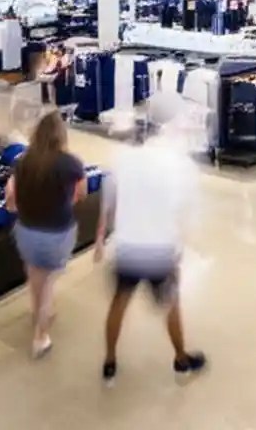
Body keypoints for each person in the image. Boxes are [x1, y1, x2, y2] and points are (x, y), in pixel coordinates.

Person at [94, 97, 207, 384]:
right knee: (171, 304)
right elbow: (187, 215)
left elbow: (109, 202)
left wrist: (100, 239)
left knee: (119, 303)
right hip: (160, 250)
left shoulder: (124, 159)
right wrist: (179, 251)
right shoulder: (180, 165)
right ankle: (181, 361)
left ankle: (109, 361)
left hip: (128, 247)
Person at [5, 113, 87, 357]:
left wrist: (20, 207)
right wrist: (65, 202)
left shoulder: (24, 161)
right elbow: (81, 193)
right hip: (57, 233)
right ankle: (41, 335)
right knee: (48, 283)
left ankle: (37, 310)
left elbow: (11, 195)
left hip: (26, 231)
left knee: (34, 274)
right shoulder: (71, 163)